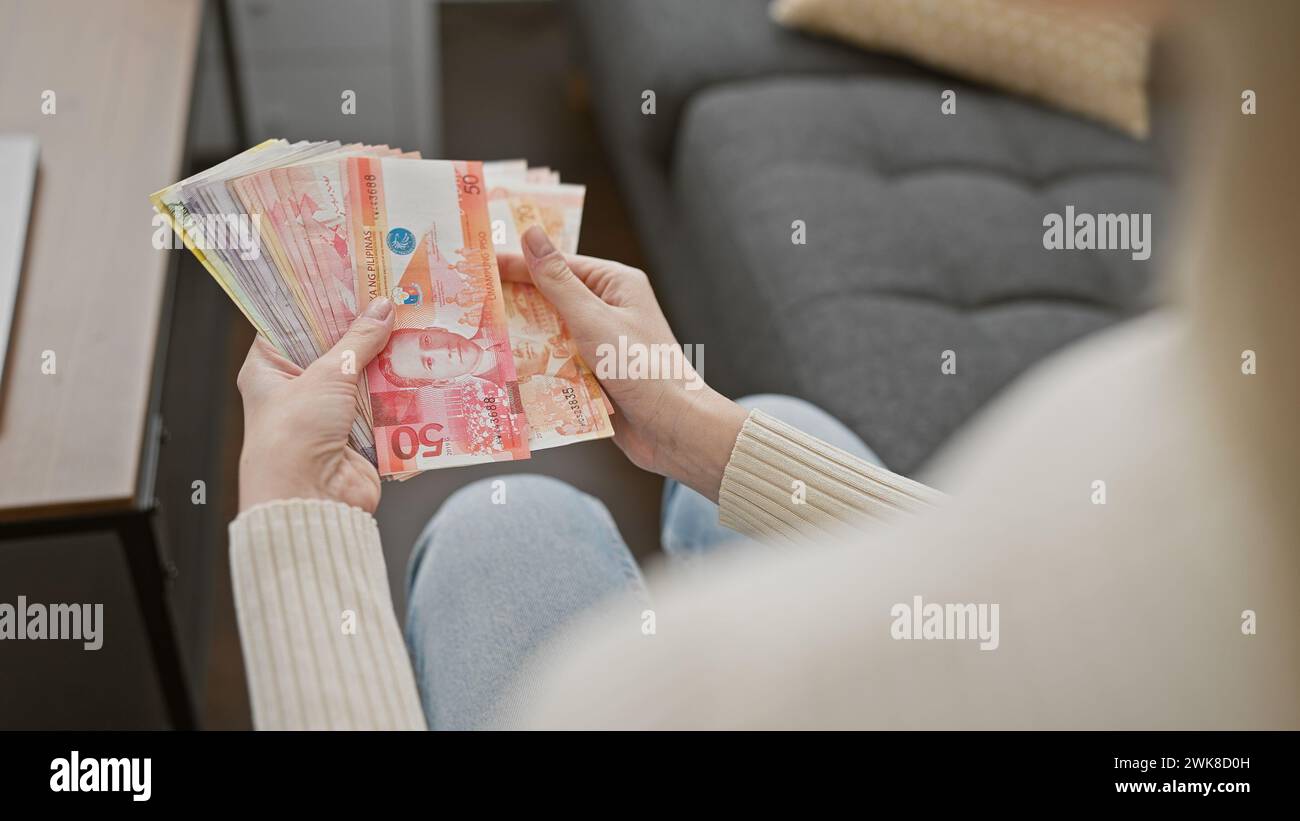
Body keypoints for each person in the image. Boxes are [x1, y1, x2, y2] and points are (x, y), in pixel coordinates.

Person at [228, 0, 1299, 730]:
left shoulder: (656, 693)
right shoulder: (1182, 434)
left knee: (503, 521)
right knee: (777, 420)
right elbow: (993, 567)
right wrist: (696, 425)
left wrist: (296, 518)